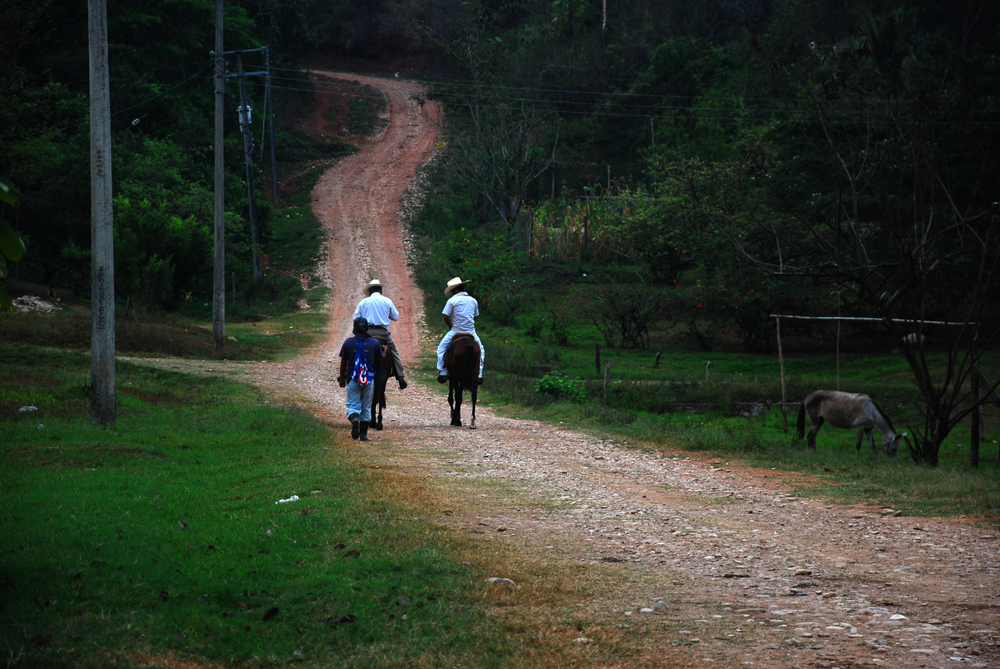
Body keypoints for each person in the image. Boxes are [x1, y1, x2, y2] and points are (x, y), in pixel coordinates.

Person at [353, 278, 407, 390]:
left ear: (369, 292)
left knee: (353, 349)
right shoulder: (387, 301)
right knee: (394, 352)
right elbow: (395, 317)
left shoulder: (363, 302)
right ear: (381, 291)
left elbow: (356, 319)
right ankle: (400, 377)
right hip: (383, 334)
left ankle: (347, 373)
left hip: (366, 333)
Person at [337, 317, 383, 441]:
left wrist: (342, 378)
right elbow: (380, 360)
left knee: (353, 404)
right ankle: (363, 435)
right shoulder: (374, 343)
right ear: (367, 328)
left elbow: (343, 362)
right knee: (366, 406)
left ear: (354, 329)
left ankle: (355, 420)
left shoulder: (348, 343)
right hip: (368, 380)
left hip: (353, 379)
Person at [436, 277, 484, 385]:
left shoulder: (452, 300)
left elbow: (446, 316)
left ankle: (443, 372)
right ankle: (479, 373)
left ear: (455, 290)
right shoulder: (473, 300)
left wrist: (450, 326)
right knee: (481, 350)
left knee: (441, 349)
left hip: (456, 331)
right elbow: (475, 317)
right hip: (471, 331)